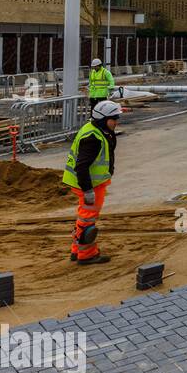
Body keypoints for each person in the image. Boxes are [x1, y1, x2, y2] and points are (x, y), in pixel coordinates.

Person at [62, 100, 120, 265]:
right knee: (88, 221)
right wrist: (88, 191)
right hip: (89, 185)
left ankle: (76, 250)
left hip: (92, 183)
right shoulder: (93, 138)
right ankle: (87, 254)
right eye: (113, 118)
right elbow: (82, 166)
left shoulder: (98, 130)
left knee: (83, 219)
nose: (116, 122)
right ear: (103, 119)